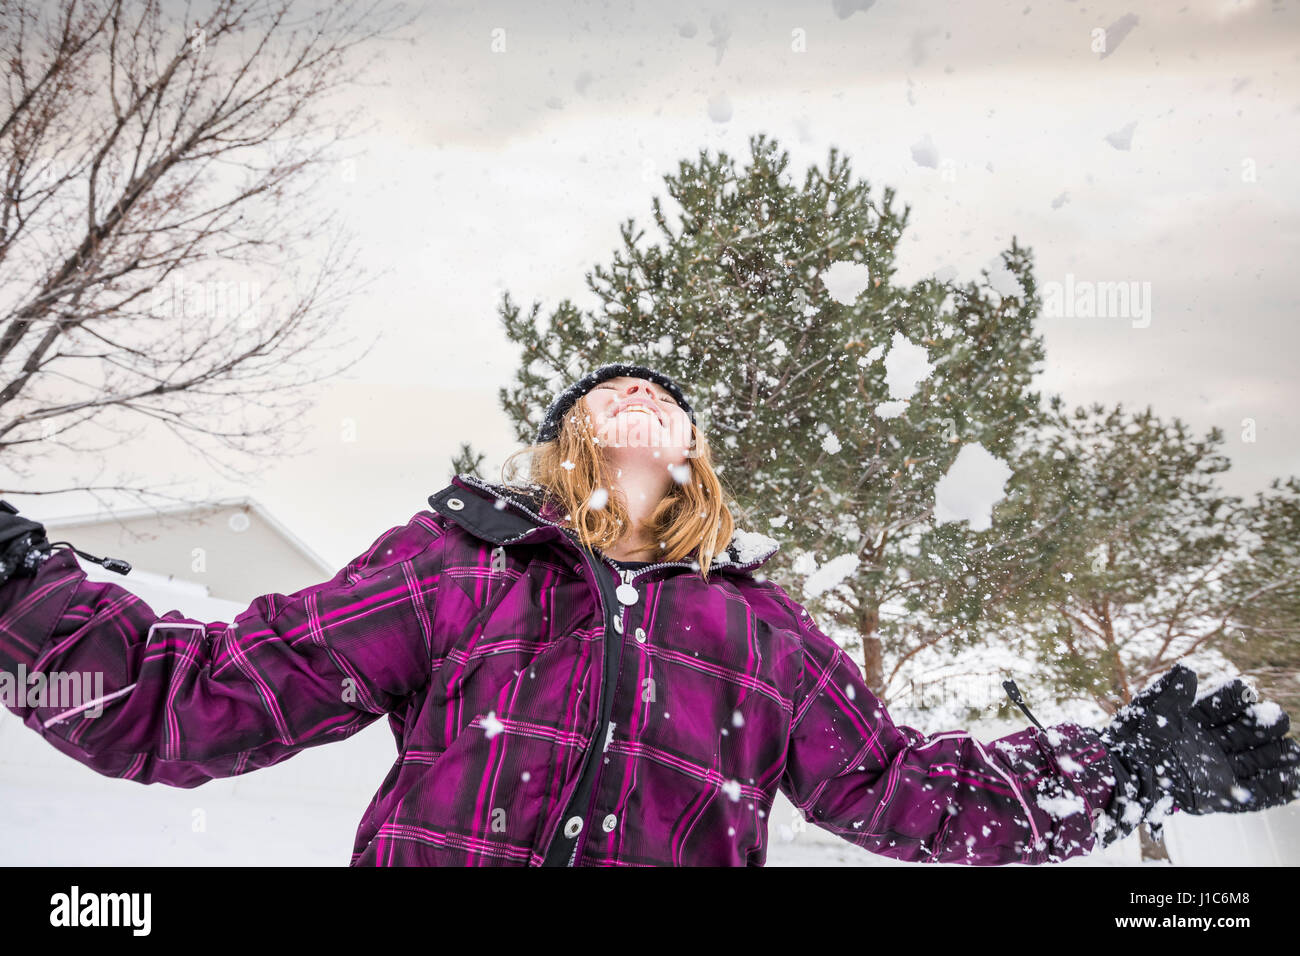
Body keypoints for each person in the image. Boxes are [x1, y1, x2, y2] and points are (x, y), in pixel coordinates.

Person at [0, 363, 1296, 867]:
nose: (633, 397)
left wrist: (1123, 771)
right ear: (563, 449)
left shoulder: (764, 636)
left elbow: (915, 794)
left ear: (692, 458)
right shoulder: (459, 568)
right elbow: (197, 703)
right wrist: (18, 592)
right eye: (601, 394)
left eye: (660, 398)